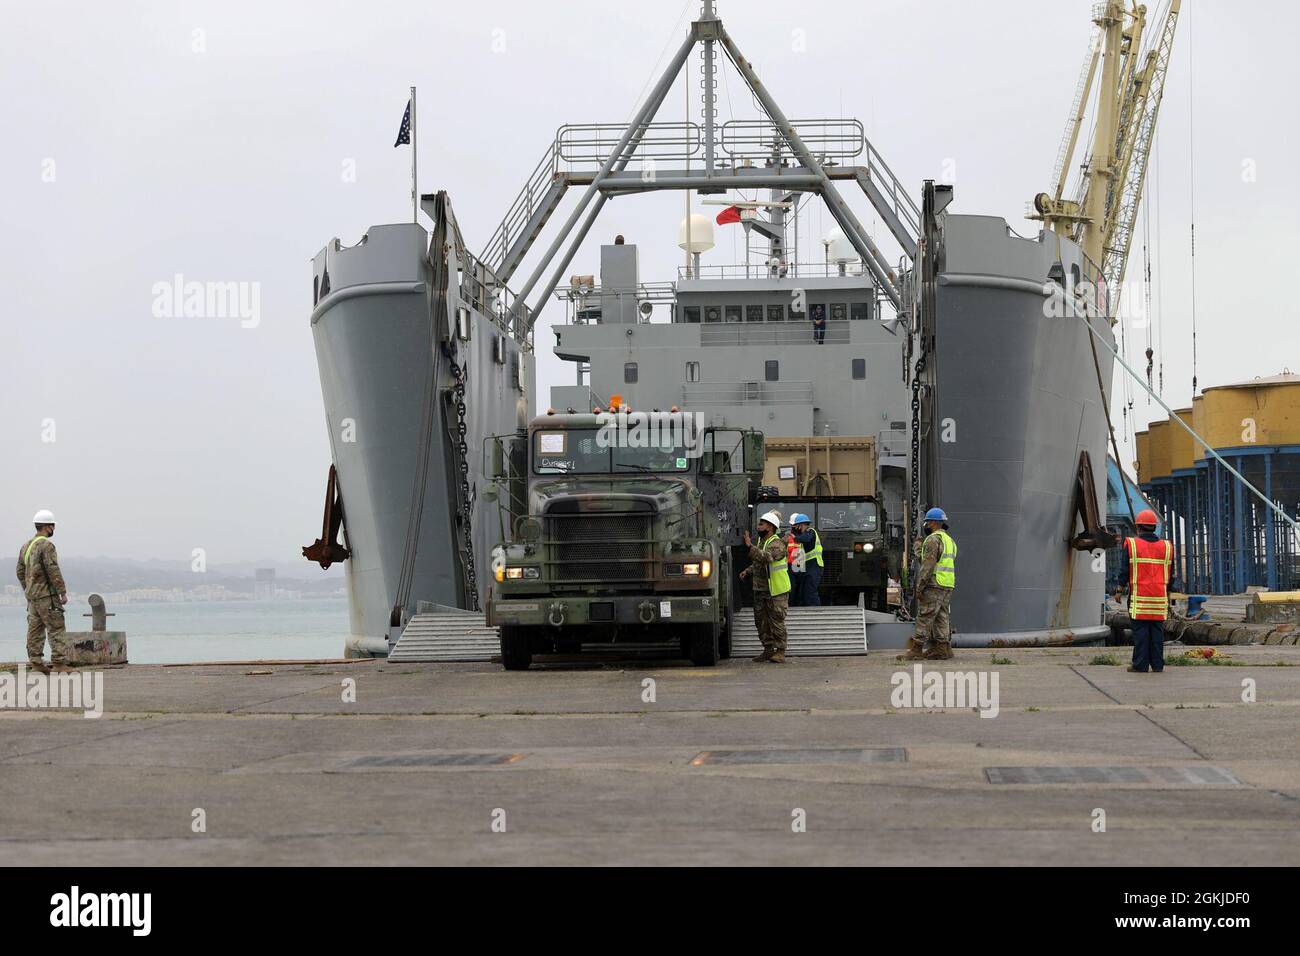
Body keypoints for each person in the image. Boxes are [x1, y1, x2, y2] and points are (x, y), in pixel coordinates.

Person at [1118, 509, 1173, 673]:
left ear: (1138, 527)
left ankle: (1140, 665)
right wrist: (1168, 595)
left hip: (1139, 598)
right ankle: (1157, 665)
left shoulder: (1132, 544)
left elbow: (1124, 570)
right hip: (1159, 598)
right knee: (1157, 632)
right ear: (1154, 527)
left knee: (1140, 633)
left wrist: (1119, 589)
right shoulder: (1167, 547)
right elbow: (1171, 573)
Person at [898, 507, 956, 661]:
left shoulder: (932, 539)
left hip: (934, 584)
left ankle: (917, 648)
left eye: (927, 522)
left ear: (932, 523)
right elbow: (934, 560)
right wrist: (919, 549)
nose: (926, 525)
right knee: (942, 616)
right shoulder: (949, 540)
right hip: (947, 584)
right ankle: (943, 648)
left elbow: (928, 565)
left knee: (925, 614)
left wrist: (920, 587)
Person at [16, 510, 71, 674]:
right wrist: (62, 591)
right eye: (53, 526)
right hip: (47, 596)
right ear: (48, 527)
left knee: (35, 629)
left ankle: (36, 662)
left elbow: (19, 571)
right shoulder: (47, 545)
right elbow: (53, 569)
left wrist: (28, 587)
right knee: (56, 628)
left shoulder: (26, 546)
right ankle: (59, 663)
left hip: (32, 597)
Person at [740, 510, 790, 663]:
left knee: (776, 621)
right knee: (761, 622)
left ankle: (780, 651)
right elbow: (758, 563)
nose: (758, 527)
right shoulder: (763, 543)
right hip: (761, 589)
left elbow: (767, 558)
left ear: (770, 526)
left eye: (761, 524)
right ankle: (768, 650)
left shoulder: (777, 544)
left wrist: (749, 547)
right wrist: (747, 571)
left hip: (776, 590)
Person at [789, 513, 823, 607]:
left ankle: (816, 614)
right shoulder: (803, 537)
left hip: (815, 566)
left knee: (810, 592)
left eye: (797, 526)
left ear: (802, 525)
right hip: (808, 567)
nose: (797, 529)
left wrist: (794, 536)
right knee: (803, 593)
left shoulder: (810, 531)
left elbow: (806, 538)